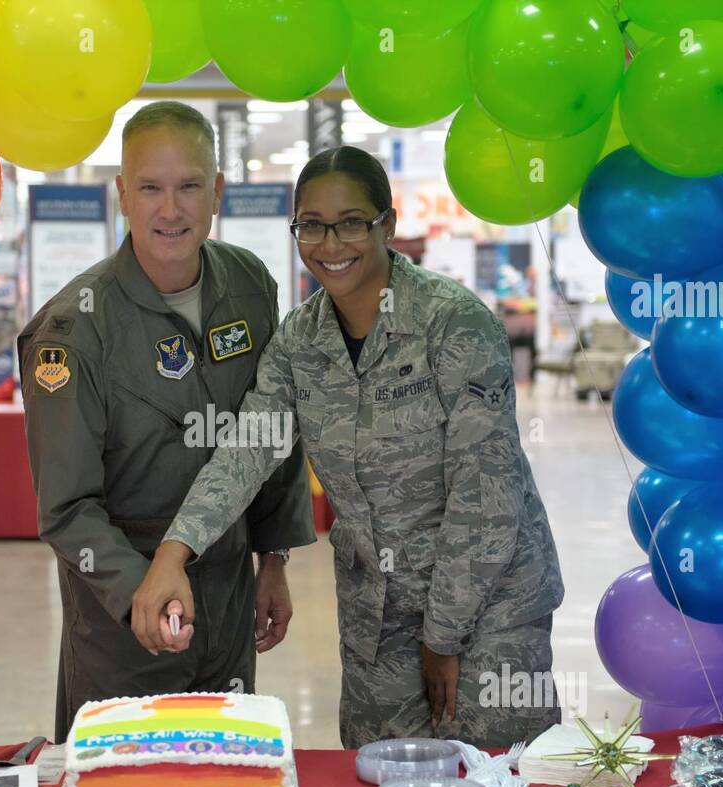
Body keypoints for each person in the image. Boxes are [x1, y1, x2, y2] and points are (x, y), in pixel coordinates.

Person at [132, 146, 565, 749]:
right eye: (311, 225)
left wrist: (443, 636)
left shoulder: (454, 324)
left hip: (490, 609)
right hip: (378, 611)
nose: (330, 245)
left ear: (387, 224)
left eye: (351, 223)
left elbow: (486, 497)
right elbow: (247, 449)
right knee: (374, 785)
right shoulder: (300, 342)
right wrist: (173, 554)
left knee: (498, 784)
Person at [18, 102, 315, 743]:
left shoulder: (250, 284)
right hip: (124, 616)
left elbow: (270, 432)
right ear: (122, 195)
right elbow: (67, 508)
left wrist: (274, 556)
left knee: (230, 777)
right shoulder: (74, 330)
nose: (170, 210)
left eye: (189, 187)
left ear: (217, 192)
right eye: (150, 187)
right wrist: (137, 593)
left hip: (229, 595)